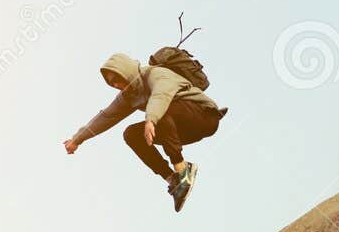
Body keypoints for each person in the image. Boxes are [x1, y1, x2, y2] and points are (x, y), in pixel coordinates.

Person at [63, 52, 227, 211]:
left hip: (204, 117)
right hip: (179, 126)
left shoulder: (156, 74)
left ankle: (183, 169)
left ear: (125, 71)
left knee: (160, 110)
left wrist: (151, 119)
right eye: (112, 84)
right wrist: (77, 139)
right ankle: (174, 180)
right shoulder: (129, 96)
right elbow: (107, 116)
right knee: (131, 134)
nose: (116, 85)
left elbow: (161, 95)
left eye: (117, 79)